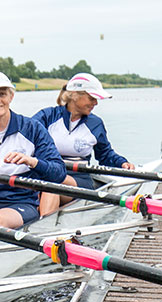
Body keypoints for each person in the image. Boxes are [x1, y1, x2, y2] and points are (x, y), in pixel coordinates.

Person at [0, 71, 66, 252]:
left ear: (11, 96)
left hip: (21, 202)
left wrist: (32, 162)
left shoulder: (32, 129)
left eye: (2, 94)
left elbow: (59, 172)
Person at [33, 73, 133, 215]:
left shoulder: (95, 124)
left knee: (51, 183)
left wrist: (122, 163)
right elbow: (25, 142)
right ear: (74, 95)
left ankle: (40, 228)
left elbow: (104, 155)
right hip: (46, 173)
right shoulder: (46, 117)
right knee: (47, 181)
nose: (96, 103)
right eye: (92, 98)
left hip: (78, 179)